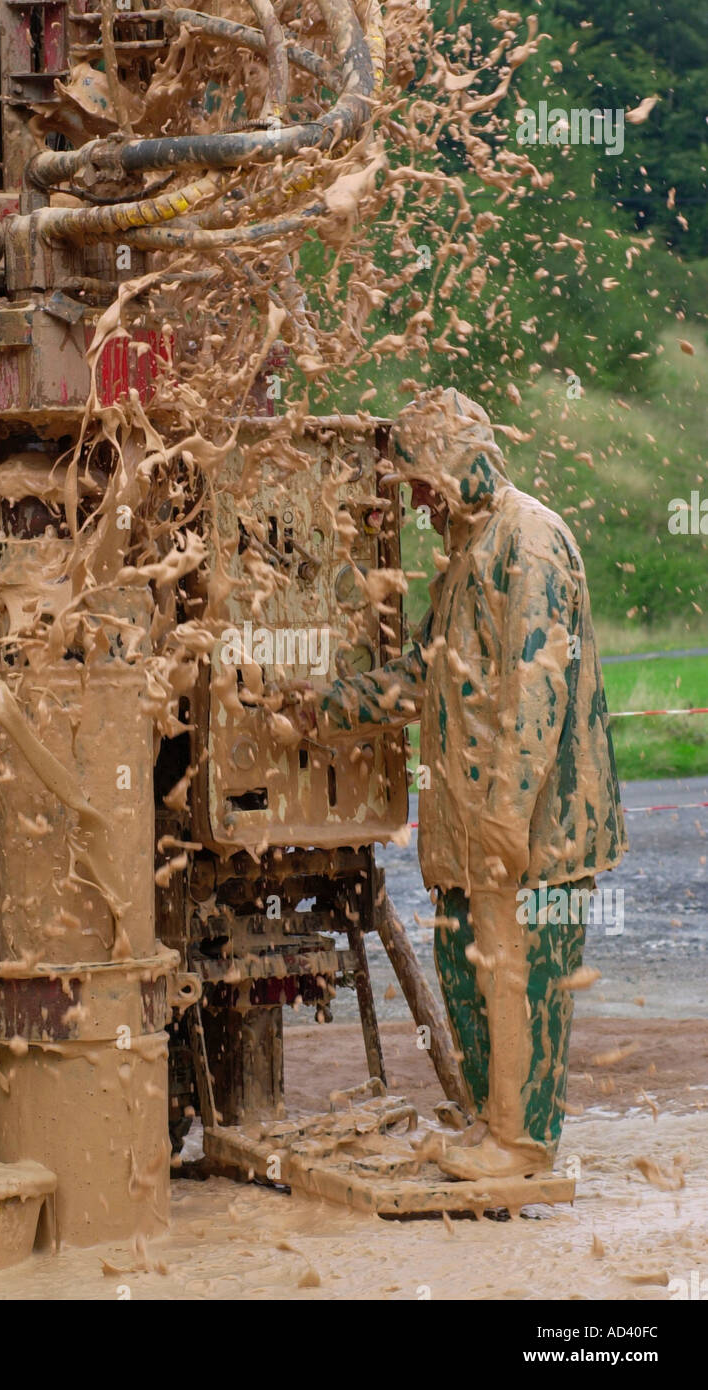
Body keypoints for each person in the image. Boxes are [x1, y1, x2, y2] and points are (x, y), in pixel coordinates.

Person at [280, 387, 627, 1179]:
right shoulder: (467, 554)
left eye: (426, 484)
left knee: (522, 982)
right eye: (415, 491)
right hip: (472, 830)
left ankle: (522, 1142)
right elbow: (425, 677)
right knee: (466, 973)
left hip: (537, 828)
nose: (422, 502)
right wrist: (328, 708)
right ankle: (488, 1125)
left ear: (463, 463)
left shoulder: (529, 543)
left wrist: (506, 818)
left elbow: (535, 693)